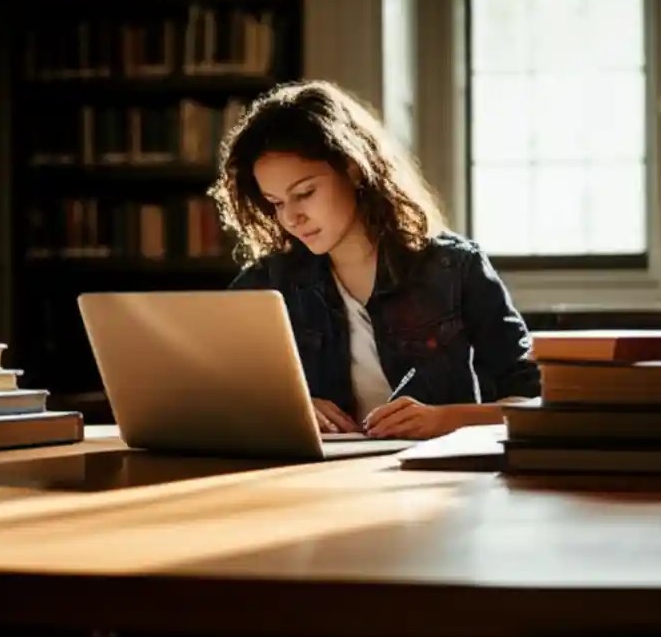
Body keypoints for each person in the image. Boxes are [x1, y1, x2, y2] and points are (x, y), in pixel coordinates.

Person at [211, 79, 540, 439]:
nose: (290, 218)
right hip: (321, 481)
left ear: (353, 168)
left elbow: (536, 401)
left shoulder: (454, 268)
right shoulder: (270, 282)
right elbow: (212, 391)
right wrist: (289, 409)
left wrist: (445, 420)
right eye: (276, 202)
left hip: (438, 481)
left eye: (304, 193)